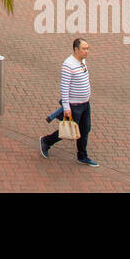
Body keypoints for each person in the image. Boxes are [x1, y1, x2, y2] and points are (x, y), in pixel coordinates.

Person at [40, 38, 98, 167]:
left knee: (85, 129)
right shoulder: (68, 65)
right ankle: (46, 141)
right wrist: (66, 107)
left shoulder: (82, 61)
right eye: (84, 49)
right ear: (76, 49)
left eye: (88, 48)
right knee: (68, 131)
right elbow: (64, 87)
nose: (87, 51)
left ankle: (82, 156)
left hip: (85, 104)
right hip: (74, 105)